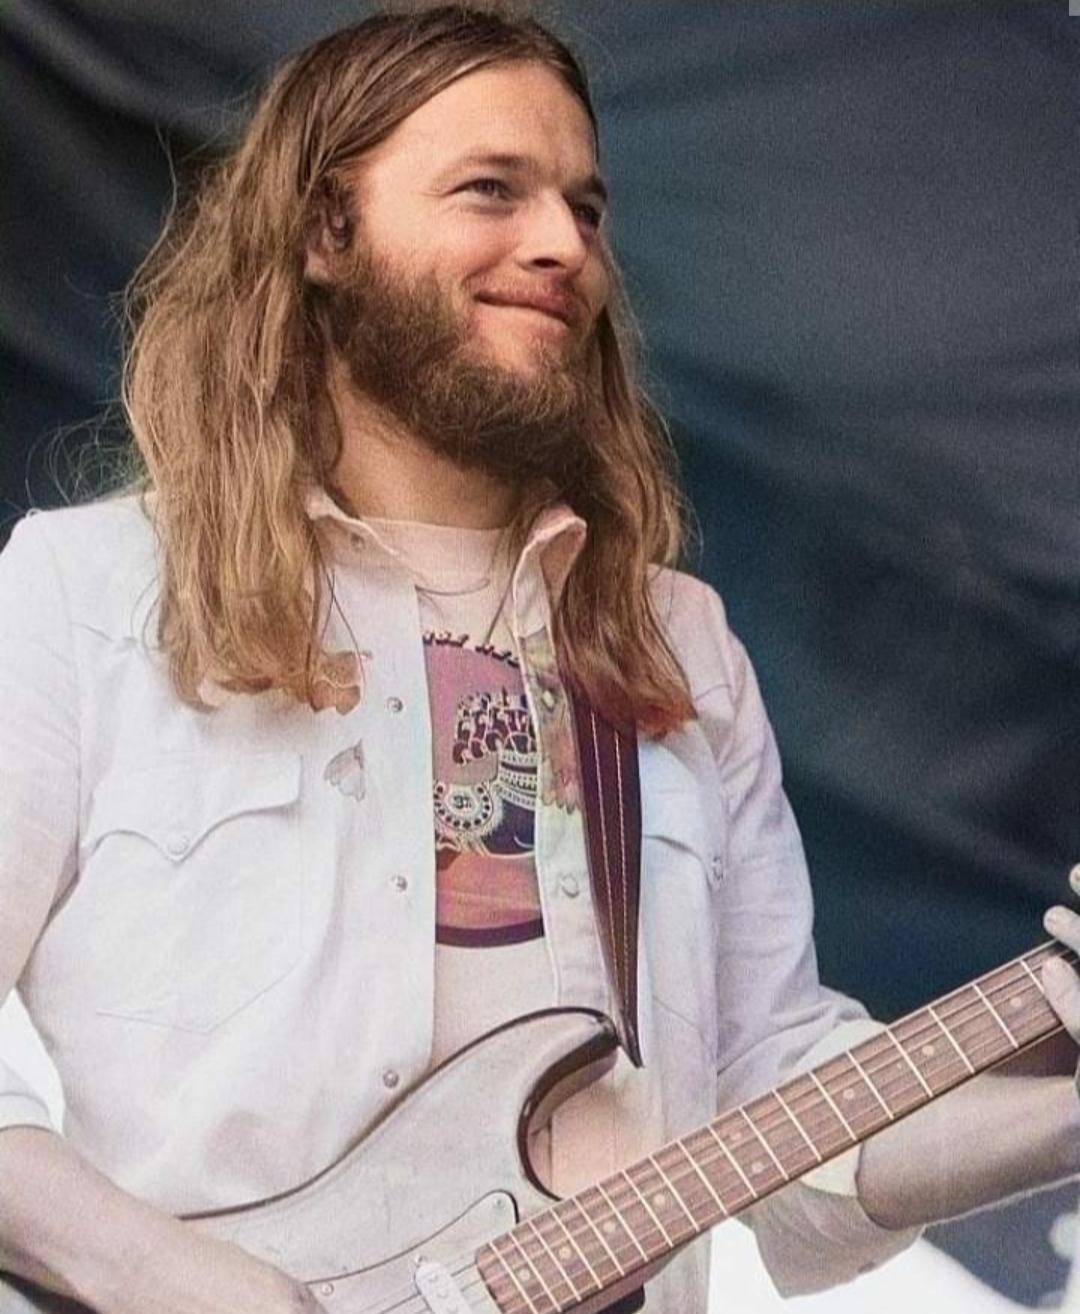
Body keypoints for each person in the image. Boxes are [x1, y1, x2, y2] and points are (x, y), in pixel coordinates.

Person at [0, 6, 1078, 1312]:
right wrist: (159, 1273)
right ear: (324, 231)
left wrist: (1060, 1103)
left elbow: (789, 1121)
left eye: (584, 204)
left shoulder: (676, 649)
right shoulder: (88, 593)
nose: (562, 243)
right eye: (491, 191)